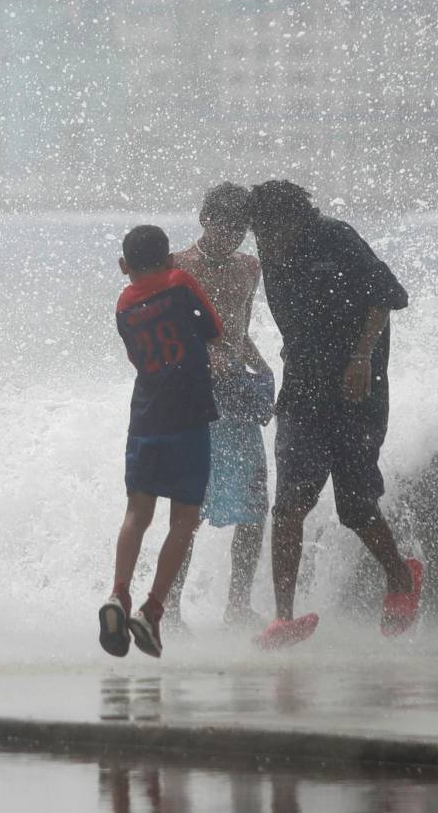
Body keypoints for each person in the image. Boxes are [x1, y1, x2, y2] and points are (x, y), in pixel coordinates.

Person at [248, 180, 423, 649]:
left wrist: (362, 355)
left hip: (356, 392)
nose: (263, 240)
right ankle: (283, 619)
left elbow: (386, 294)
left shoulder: (337, 237)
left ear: (295, 218)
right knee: (288, 507)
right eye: (257, 232)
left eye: (269, 229)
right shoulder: (269, 249)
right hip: (303, 392)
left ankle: (401, 579)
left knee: (355, 507)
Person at [101, 224, 222, 659]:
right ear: (171, 259)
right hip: (188, 417)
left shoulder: (123, 303)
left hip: (145, 419)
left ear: (123, 266)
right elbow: (214, 329)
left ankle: (118, 594)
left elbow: (137, 356)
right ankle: (152, 609)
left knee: (137, 512)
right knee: (185, 520)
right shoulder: (179, 282)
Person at [165, 182, 277, 627]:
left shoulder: (250, 268)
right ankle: (169, 609)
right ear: (205, 219)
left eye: (241, 229)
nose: (233, 235)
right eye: (226, 226)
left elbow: (237, 331)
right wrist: (201, 354)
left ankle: (237, 606)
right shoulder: (175, 267)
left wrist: (265, 368)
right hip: (189, 401)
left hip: (235, 398)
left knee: (254, 507)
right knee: (186, 510)